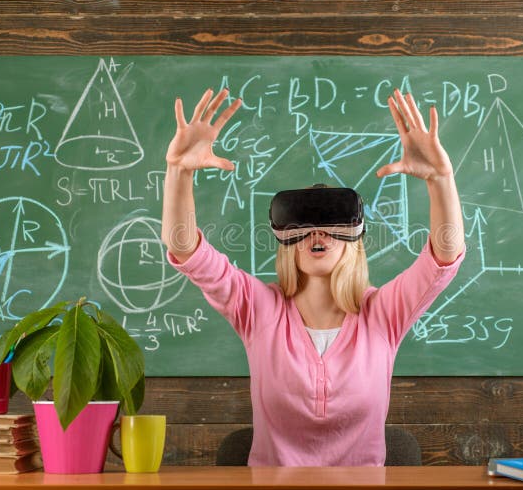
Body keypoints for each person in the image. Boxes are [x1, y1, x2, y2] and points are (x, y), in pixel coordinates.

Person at [161, 87, 466, 466]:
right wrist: (179, 171)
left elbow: (444, 257)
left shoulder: (382, 314)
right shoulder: (258, 310)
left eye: (331, 222)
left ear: (352, 239)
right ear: (286, 240)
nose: (317, 234)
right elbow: (187, 250)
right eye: (303, 224)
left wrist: (440, 178)